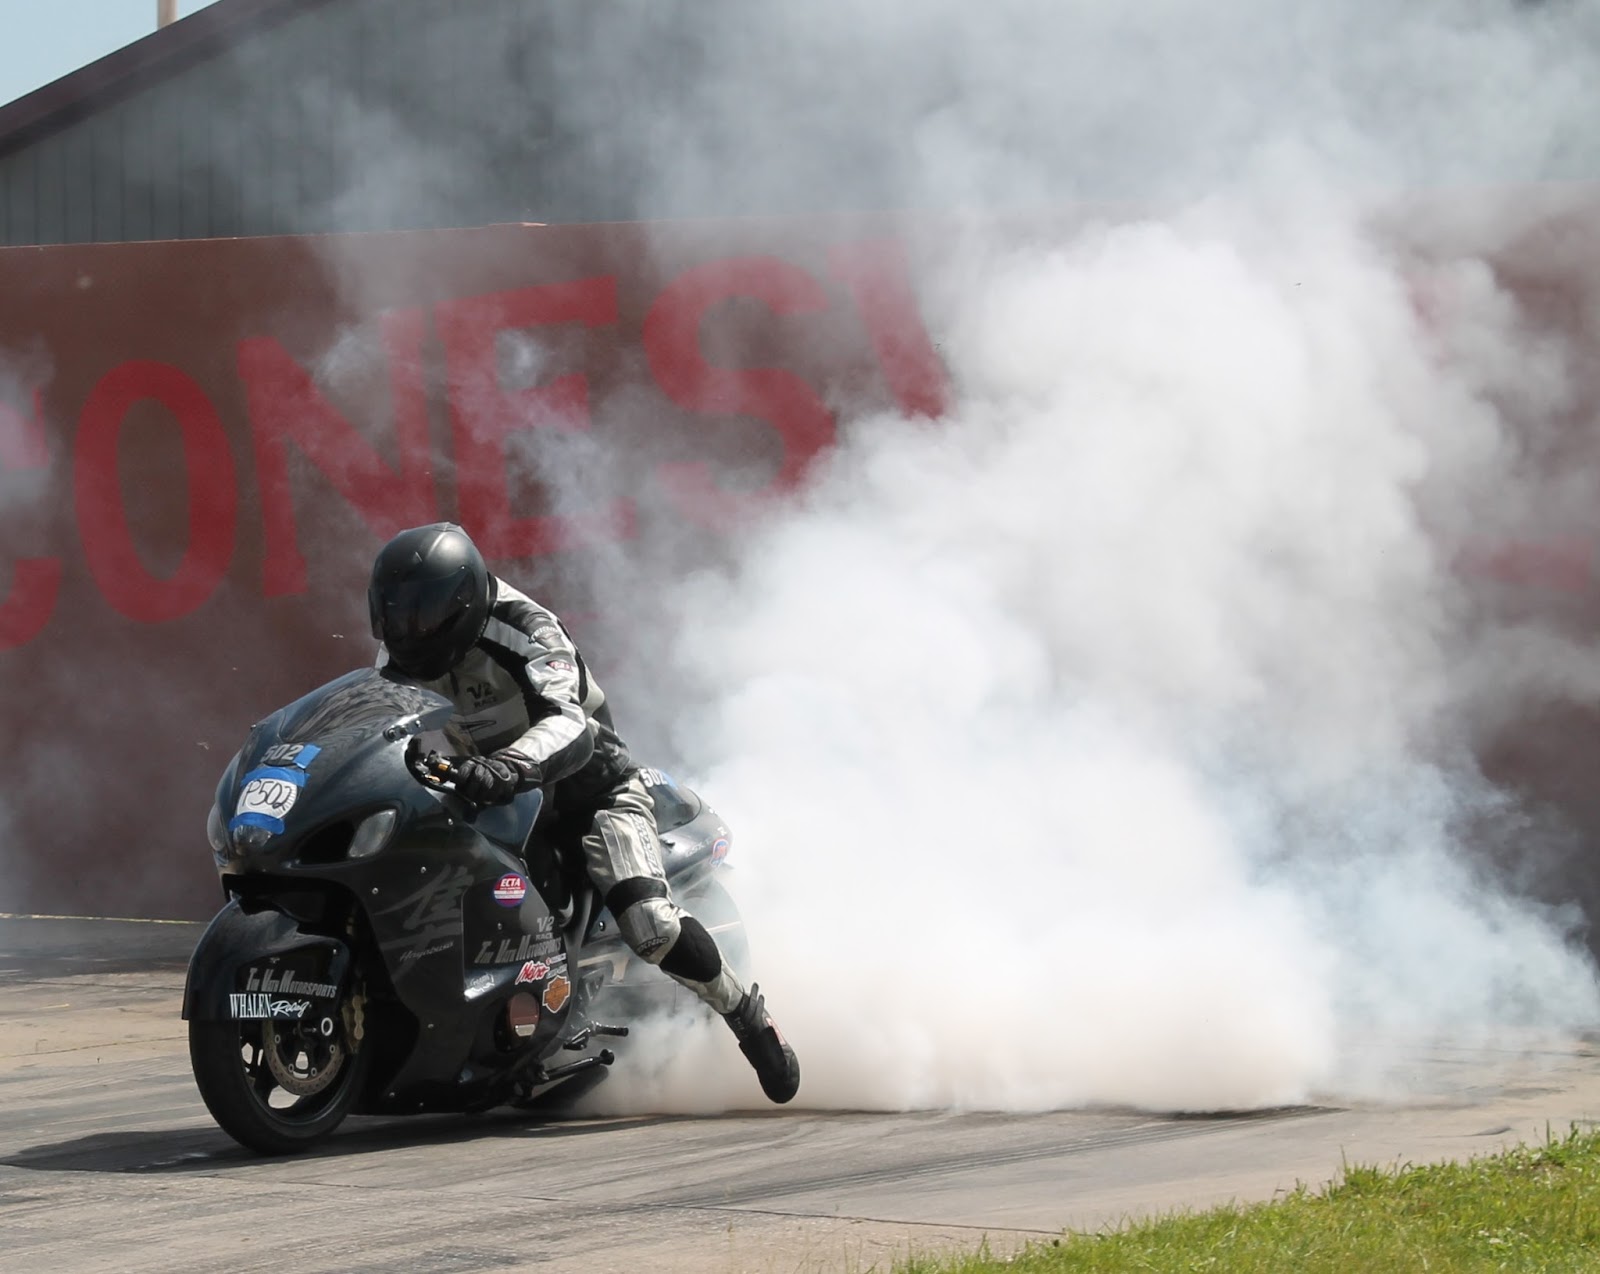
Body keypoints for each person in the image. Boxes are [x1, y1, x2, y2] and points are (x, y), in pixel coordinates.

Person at [367, 521, 800, 1104]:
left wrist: (510, 765)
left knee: (649, 924)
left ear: (464, 602)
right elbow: (379, 721)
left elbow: (570, 725)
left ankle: (746, 1015)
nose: (410, 629)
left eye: (423, 614)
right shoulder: (399, 655)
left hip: (588, 789)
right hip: (491, 793)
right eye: (398, 614)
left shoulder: (528, 631)